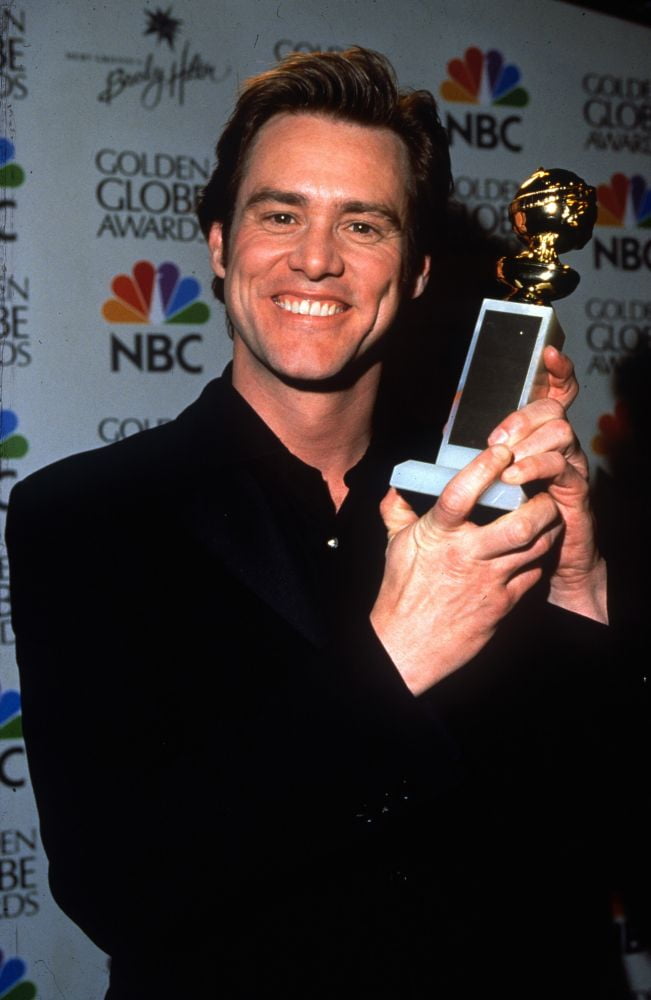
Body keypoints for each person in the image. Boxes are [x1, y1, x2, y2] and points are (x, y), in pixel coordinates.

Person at [7, 47, 630, 999]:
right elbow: (117, 885)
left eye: (364, 223)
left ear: (417, 271)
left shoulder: (473, 494)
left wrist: (580, 595)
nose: (316, 258)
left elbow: (591, 834)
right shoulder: (84, 516)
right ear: (219, 244)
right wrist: (393, 659)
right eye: (280, 213)